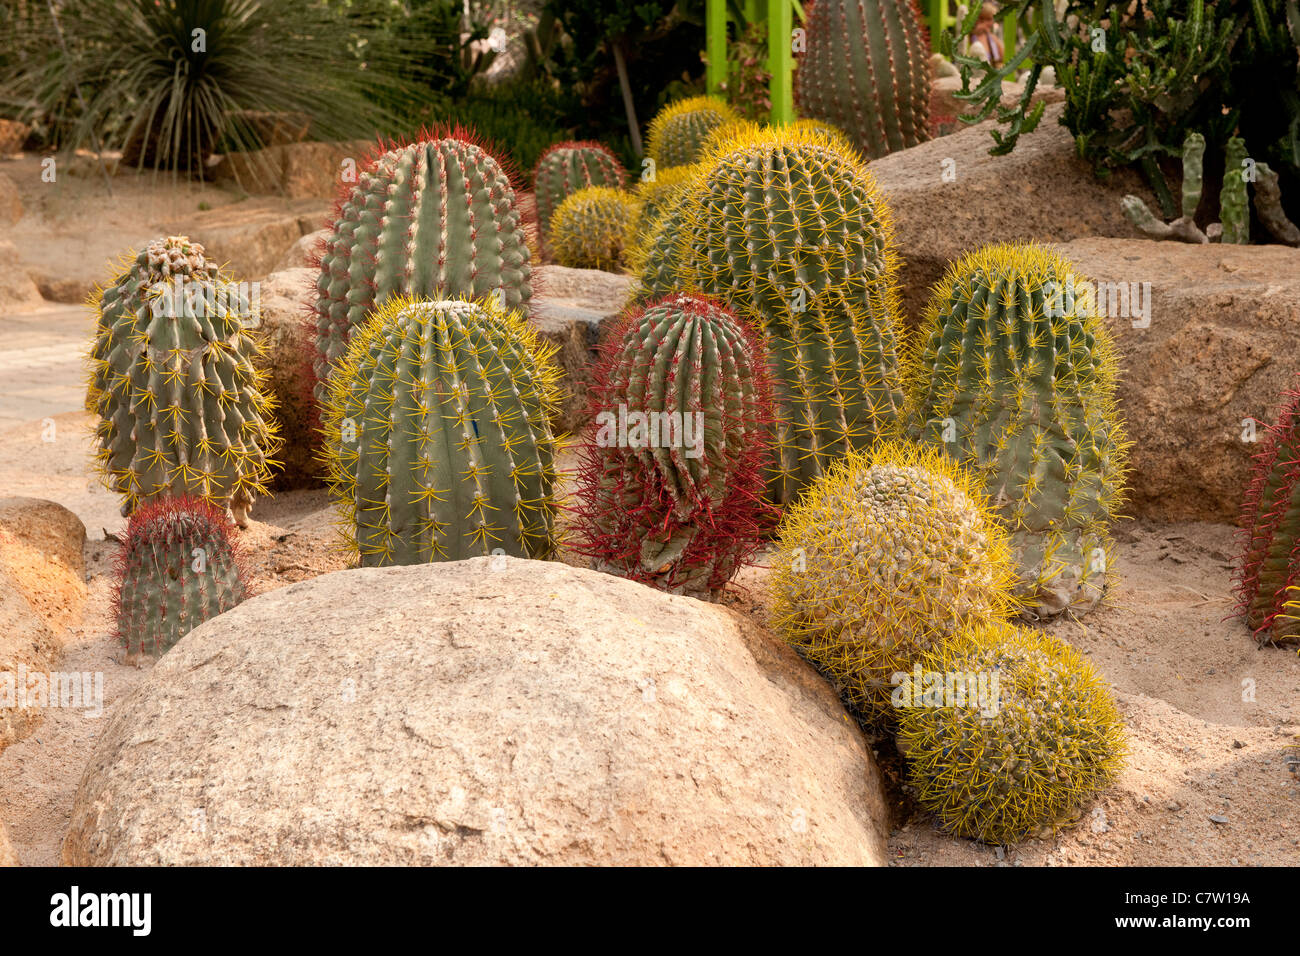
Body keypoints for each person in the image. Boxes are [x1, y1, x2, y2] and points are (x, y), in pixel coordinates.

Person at [968, 3, 1004, 68]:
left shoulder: (993, 39)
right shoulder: (969, 37)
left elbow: (1002, 58)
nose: (985, 23)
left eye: (990, 19)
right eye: (981, 19)